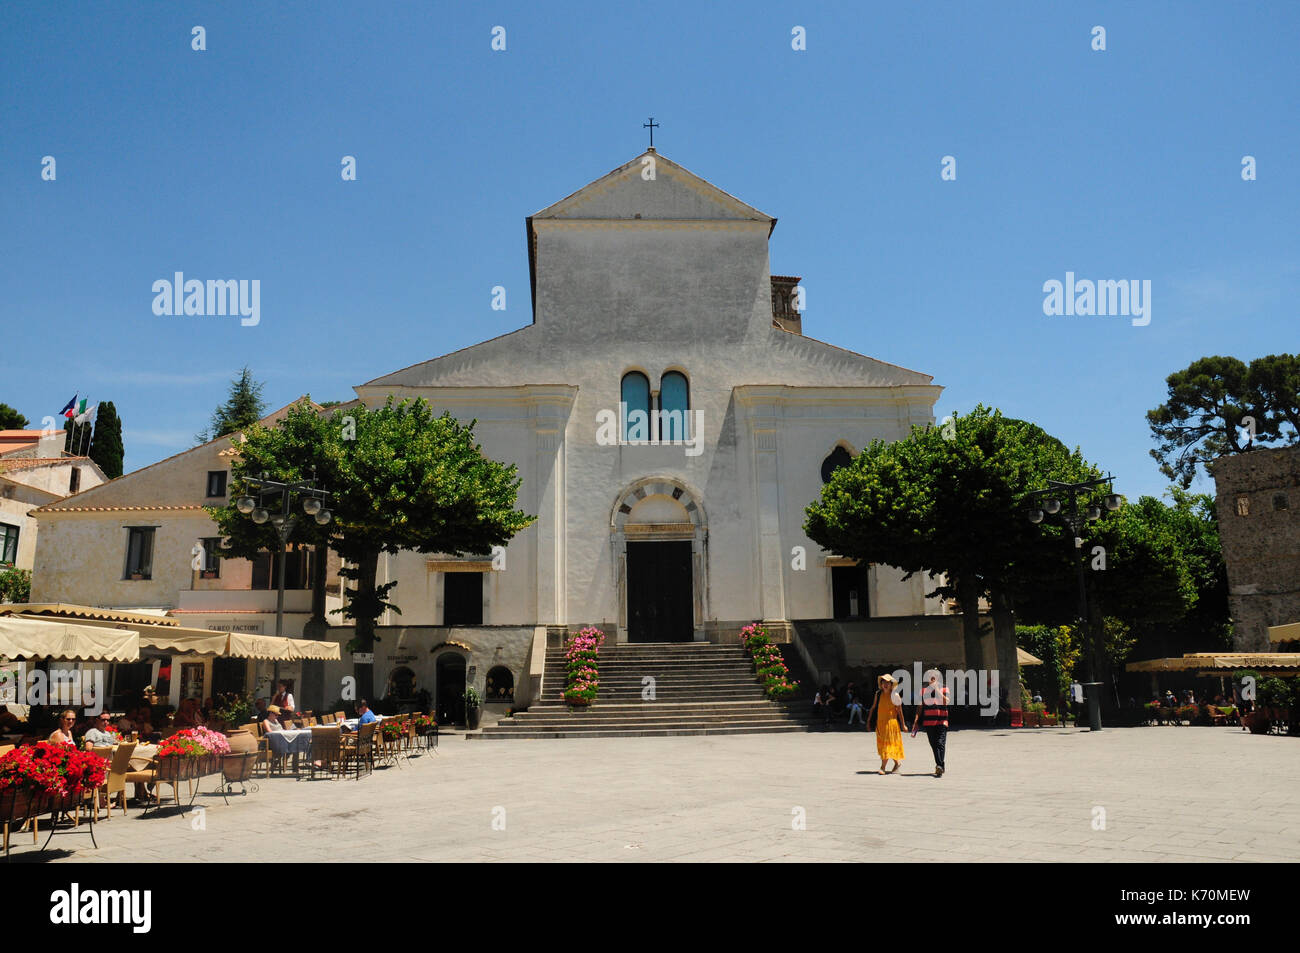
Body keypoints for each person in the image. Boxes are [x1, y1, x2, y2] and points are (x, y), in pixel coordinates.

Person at [910, 671, 950, 777]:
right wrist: (916, 720)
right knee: (933, 744)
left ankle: (939, 765)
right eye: (930, 677)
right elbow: (919, 707)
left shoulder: (944, 688)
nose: (932, 679)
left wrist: (937, 690)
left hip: (942, 721)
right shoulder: (923, 690)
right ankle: (940, 765)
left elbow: (947, 701)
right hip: (928, 722)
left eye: (934, 677)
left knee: (940, 743)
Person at [866, 675, 906, 774]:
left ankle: (882, 767)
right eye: (883, 682)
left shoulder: (895, 695)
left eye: (888, 682)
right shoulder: (878, 694)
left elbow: (900, 711)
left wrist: (903, 725)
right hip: (880, 724)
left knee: (887, 745)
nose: (885, 684)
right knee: (884, 745)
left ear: (891, 685)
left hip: (891, 724)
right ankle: (897, 763)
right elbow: (873, 707)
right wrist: (868, 721)